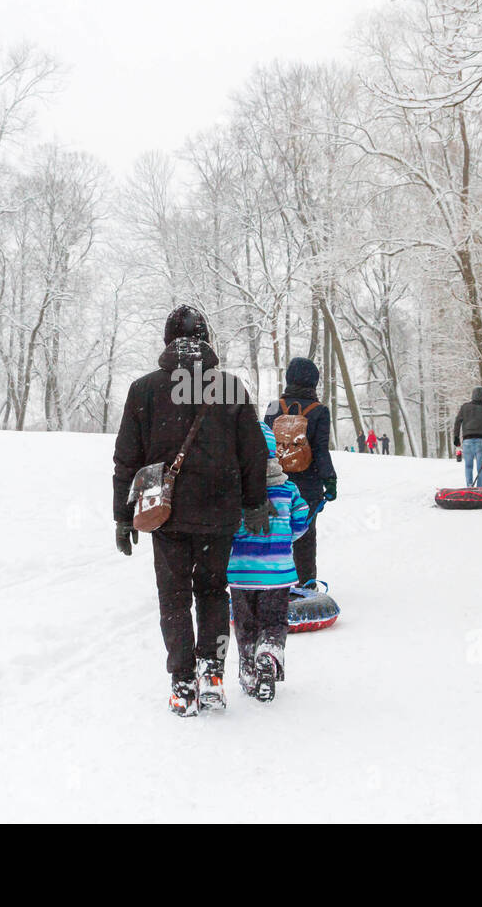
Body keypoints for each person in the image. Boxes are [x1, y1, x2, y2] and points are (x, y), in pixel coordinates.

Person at [113, 305, 269, 717]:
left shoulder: (144, 389)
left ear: (168, 340)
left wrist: (122, 515)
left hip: (167, 514)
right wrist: (254, 504)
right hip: (219, 512)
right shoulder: (230, 388)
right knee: (213, 592)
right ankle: (212, 673)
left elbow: (126, 460)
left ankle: (182, 683)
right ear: (206, 340)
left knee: (174, 598)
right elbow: (254, 453)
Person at [229, 422, 310, 703]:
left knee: (244, 624)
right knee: (274, 621)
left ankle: (249, 671)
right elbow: (300, 523)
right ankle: (269, 655)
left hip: (240, 573)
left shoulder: (234, 491)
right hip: (277, 574)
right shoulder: (288, 489)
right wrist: (283, 540)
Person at [264, 356, 337, 587]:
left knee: (276, 535)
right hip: (307, 484)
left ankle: (275, 584)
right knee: (305, 536)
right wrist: (330, 480)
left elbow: (264, 444)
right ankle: (306, 584)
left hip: (276, 484)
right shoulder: (319, 410)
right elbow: (320, 450)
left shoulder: (274, 406)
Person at [453, 386, 482, 488]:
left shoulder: (465, 407)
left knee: (468, 466)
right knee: (480, 468)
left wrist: (456, 437)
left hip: (467, 440)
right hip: (481, 441)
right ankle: (479, 489)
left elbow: (457, 422)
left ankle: (469, 487)